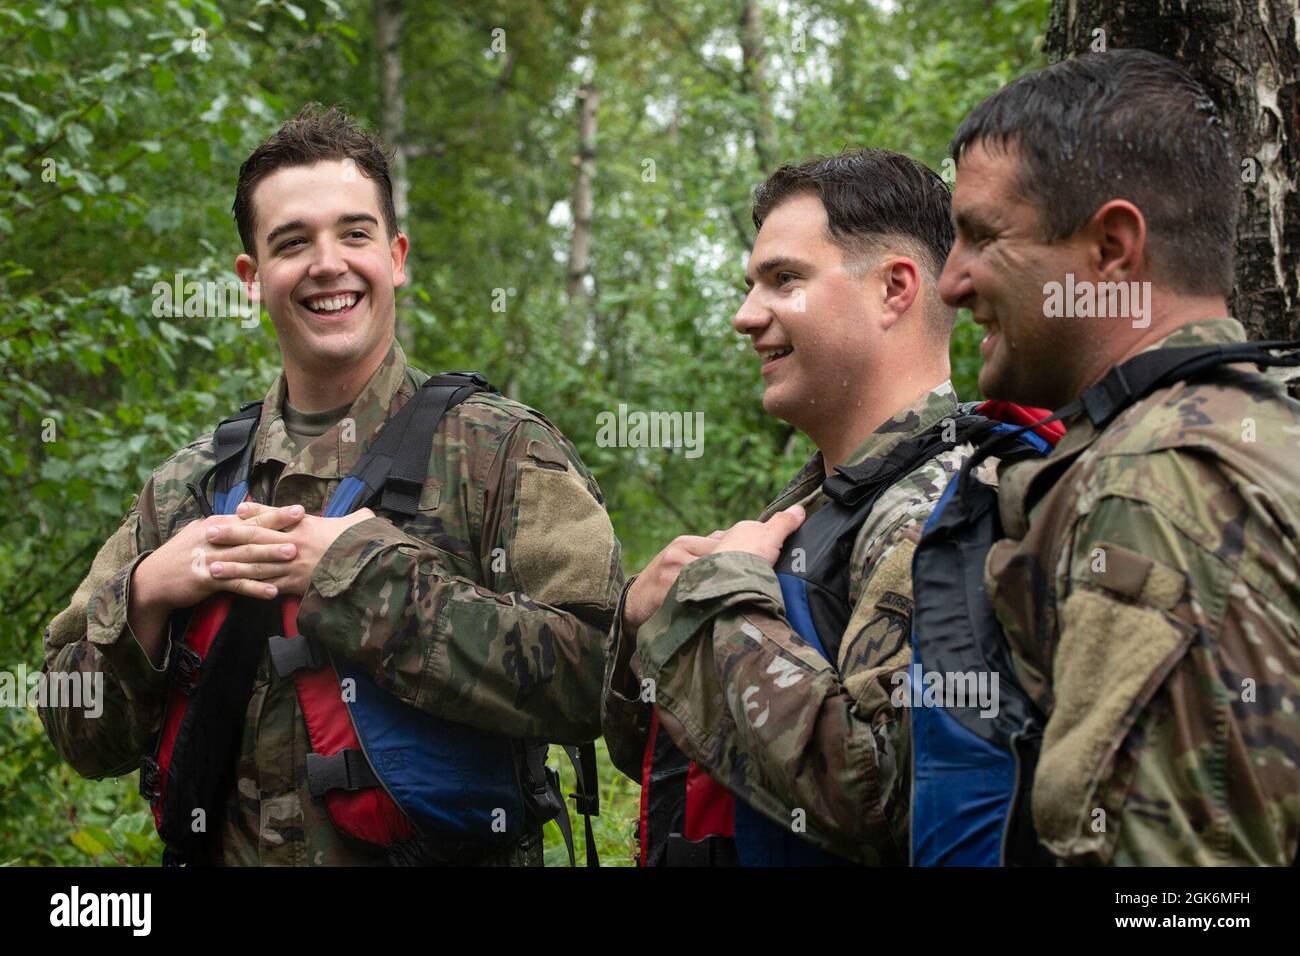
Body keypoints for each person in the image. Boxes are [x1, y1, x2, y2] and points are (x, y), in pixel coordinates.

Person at [39, 104, 623, 866]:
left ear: (397, 256)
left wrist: (362, 579)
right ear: (251, 279)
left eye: (354, 233)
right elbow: (73, 725)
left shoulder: (501, 451)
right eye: (292, 243)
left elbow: (600, 683)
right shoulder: (191, 484)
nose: (327, 264)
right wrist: (145, 594)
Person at [938, 49, 1300, 865]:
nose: (950, 283)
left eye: (981, 238)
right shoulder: (1262, 426)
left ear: (1111, 249)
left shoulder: (1157, 491)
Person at [602, 148, 970, 865]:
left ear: (894, 289)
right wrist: (641, 632)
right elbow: (689, 756)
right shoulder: (818, 504)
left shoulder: (940, 510)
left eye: (784, 280)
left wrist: (723, 606)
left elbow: (883, 798)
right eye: (751, 285)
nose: (745, 317)